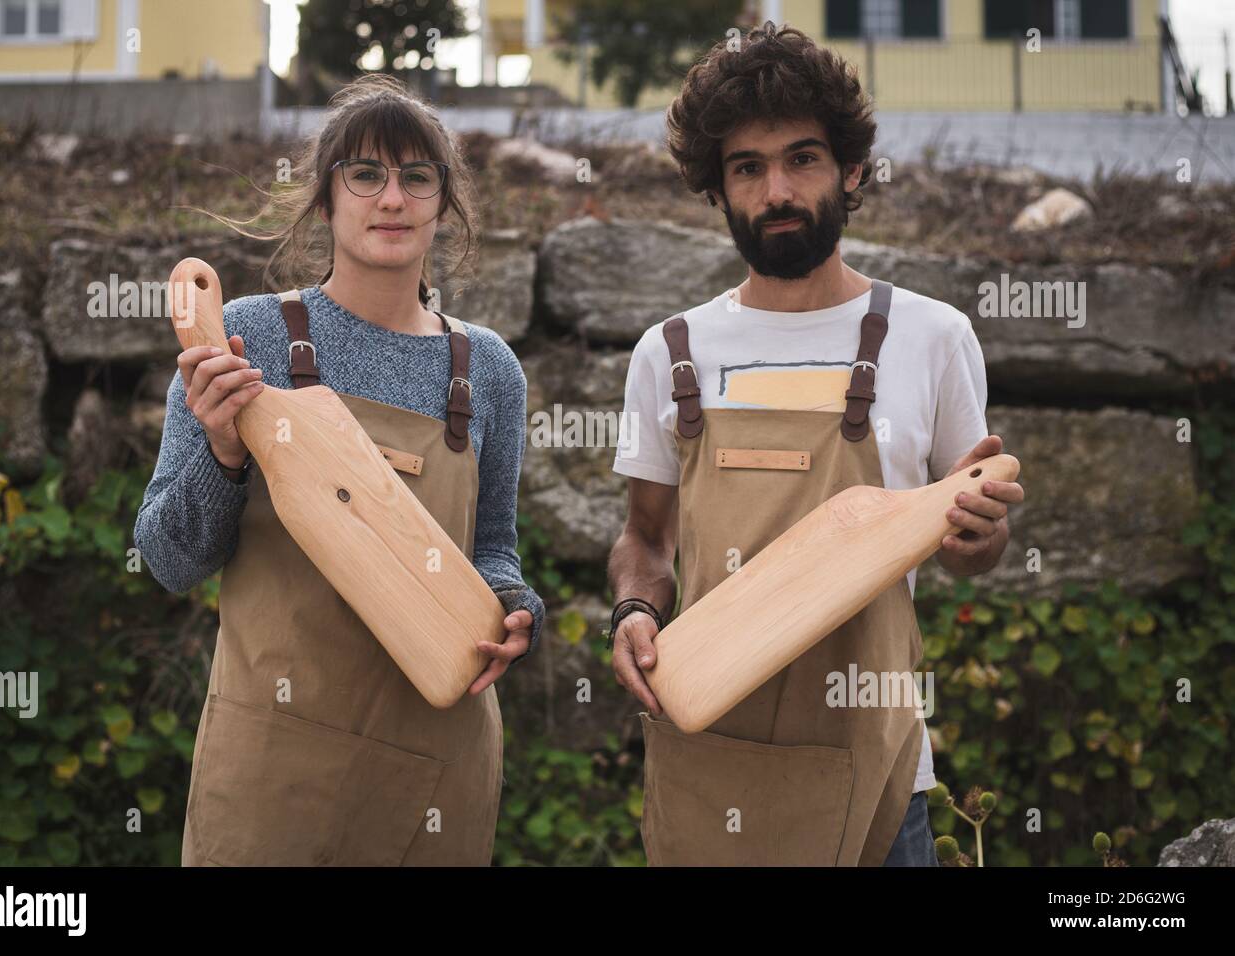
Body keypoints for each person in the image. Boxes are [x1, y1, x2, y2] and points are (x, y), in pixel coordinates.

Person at [606, 22, 1024, 866]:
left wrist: (985, 535)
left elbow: (969, 548)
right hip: (710, 759)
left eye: (803, 158)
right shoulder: (670, 351)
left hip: (882, 779)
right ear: (717, 191)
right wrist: (634, 611)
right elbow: (647, 538)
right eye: (747, 168)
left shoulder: (932, 337)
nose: (777, 191)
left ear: (853, 170)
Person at [133, 74, 544, 866]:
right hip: (271, 772)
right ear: (325, 198)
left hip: (436, 763)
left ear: (442, 205)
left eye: (416, 177)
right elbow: (168, 559)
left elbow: (492, 550)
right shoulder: (242, 341)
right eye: (365, 174)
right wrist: (223, 451)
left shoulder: (487, 369)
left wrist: (513, 610)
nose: (392, 198)